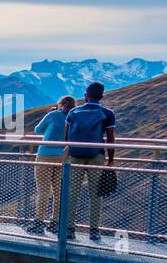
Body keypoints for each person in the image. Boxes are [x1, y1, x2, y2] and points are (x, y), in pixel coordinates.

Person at [62, 81, 117, 241]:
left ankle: (69, 229)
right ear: (101, 96)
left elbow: (66, 137)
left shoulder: (73, 112)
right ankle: (94, 230)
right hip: (96, 156)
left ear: (86, 95)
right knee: (95, 194)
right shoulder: (107, 113)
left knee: (72, 193)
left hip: (75, 155)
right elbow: (110, 138)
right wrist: (111, 160)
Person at [26, 96, 76, 234]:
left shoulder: (53, 115)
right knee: (59, 191)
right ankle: (56, 222)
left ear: (61, 104)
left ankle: (39, 222)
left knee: (43, 190)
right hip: (64, 156)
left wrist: (51, 113)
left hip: (45, 154)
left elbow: (37, 129)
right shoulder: (75, 115)